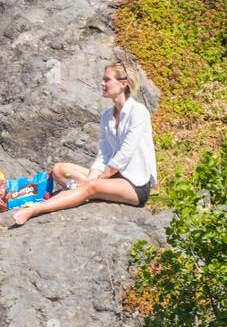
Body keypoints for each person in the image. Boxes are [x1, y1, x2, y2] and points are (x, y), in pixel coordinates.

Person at [11, 64, 157, 226]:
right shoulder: (107, 116)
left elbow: (125, 154)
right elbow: (104, 154)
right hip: (112, 177)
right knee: (59, 170)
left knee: (91, 186)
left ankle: (35, 210)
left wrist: (94, 181)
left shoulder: (138, 111)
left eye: (107, 80)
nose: (102, 83)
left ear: (123, 84)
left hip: (134, 185)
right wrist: (92, 176)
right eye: (103, 79)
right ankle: (83, 192)